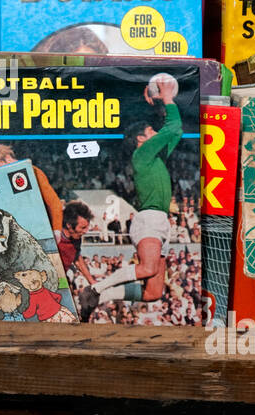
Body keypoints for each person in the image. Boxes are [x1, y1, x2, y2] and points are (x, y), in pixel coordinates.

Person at [78, 77, 186, 317]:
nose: (156, 133)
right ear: (140, 139)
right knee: (147, 268)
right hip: (149, 219)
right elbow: (173, 128)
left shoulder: (153, 156)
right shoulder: (142, 154)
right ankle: (96, 288)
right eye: (151, 131)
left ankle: (98, 298)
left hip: (158, 220)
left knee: (153, 293)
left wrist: (160, 105)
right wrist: (167, 98)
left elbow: (174, 132)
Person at [0, 142, 62, 232]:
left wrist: (57, 229)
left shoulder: (33, 171)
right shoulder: (4, 181)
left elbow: (54, 203)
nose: (1, 172)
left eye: (0, 167)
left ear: (7, 158)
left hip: (44, 229)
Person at [56, 199, 96, 287]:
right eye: (83, 227)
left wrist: (92, 282)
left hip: (61, 279)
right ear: (69, 225)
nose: (86, 231)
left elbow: (77, 259)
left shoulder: (76, 238)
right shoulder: (53, 237)